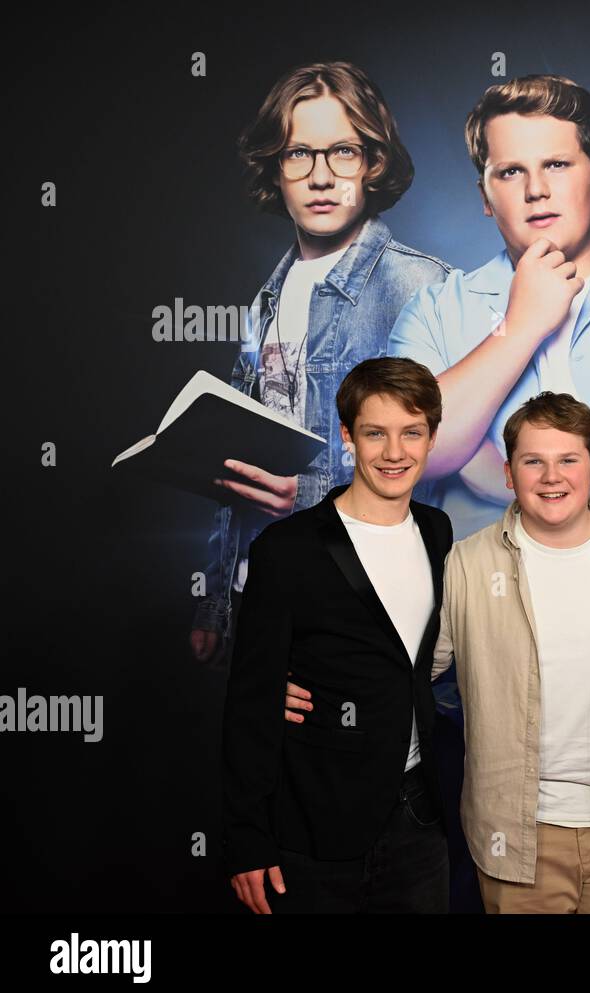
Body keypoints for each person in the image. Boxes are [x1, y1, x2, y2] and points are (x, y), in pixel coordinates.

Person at [289, 392, 590, 913]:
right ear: (508, 473)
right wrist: (303, 681)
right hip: (517, 842)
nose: (552, 476)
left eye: (568, 459)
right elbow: (406, 670)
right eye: (533, 461)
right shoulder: (467, 565)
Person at [191, 61, 451, 663]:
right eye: (298, 155)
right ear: (275, 171)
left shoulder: (418, 284)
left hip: (355, 602)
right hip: (259, 597)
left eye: (343, 152)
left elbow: (435, 463)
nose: (320, 177)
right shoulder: (267, 298)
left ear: (373, 162)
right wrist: (212, 601)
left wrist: (303, 493)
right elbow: (239, 452)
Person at [387, 74, 590, 535]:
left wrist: (502, 478)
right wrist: (520, 326)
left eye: (557, 164)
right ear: (484, 195)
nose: (536, 189)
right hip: (487, 598)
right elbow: (408, 448)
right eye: (510, 171)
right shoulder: (432, 310)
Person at [223, 357, 453, 914]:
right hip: (315, 824)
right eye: (376, 433)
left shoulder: (438, 531)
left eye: (411, 433)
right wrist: (245, 839)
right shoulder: (286, 549)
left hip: (422, 818)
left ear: (431, 437)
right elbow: (250, 703)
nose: (395, 453)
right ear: (348, 436)